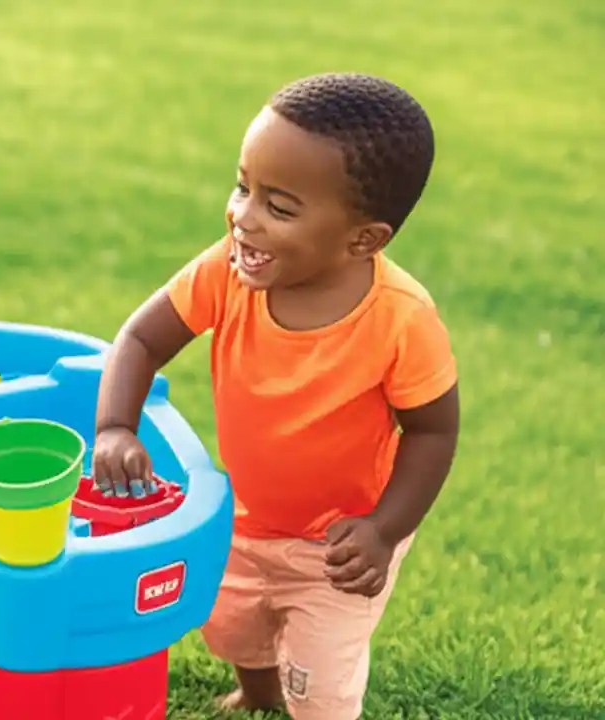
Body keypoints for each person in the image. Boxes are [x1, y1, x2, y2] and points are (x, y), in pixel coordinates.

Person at [92, 73, 459, 719]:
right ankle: (256, 695)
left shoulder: (401, 319)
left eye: (278, 207)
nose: (242, 216)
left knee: (320, 686)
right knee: (233, 626)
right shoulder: (226, 271)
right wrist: (116, 427)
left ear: (363, 239)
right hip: (246, 517)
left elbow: (433, 431)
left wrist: (383, 530)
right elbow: (141, 338)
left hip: (342, 544)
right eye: (243, 187)